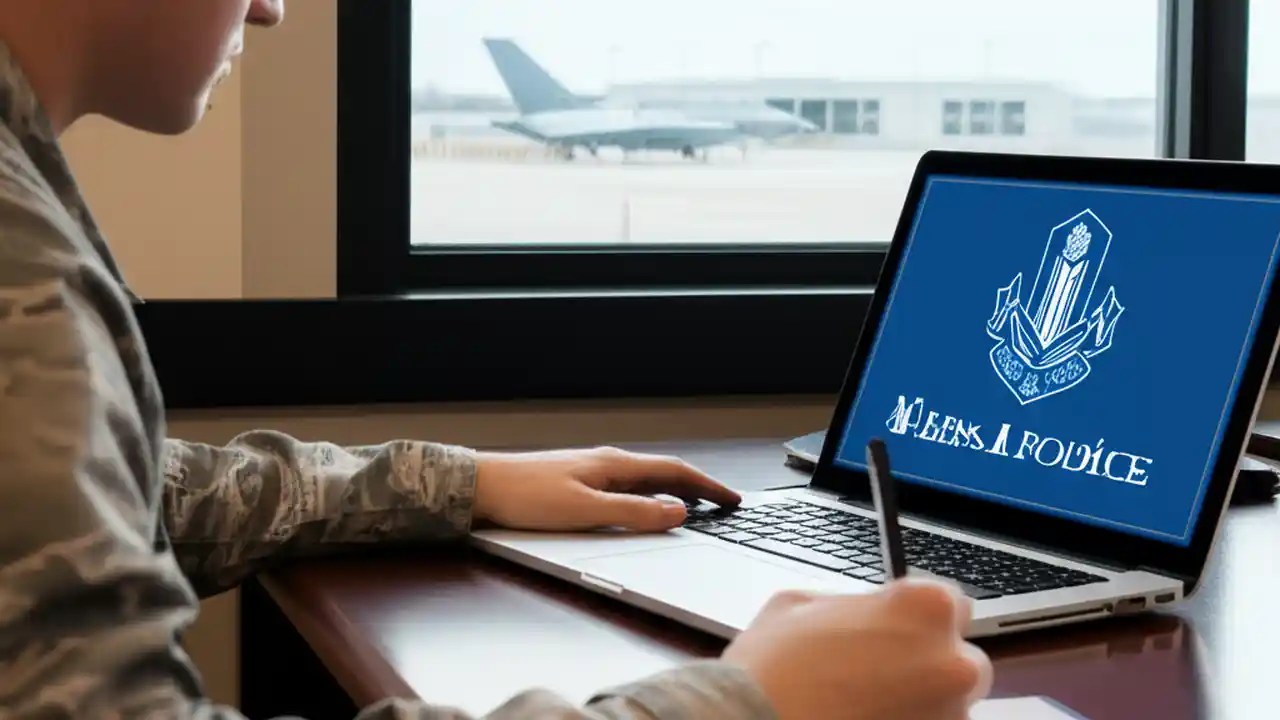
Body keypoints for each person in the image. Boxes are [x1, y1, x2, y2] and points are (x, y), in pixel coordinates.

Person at [0, 1, 993, 718]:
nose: (270, 10)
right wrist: (746, 704)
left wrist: (460, 483)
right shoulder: (23, 275)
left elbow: (116, 498)